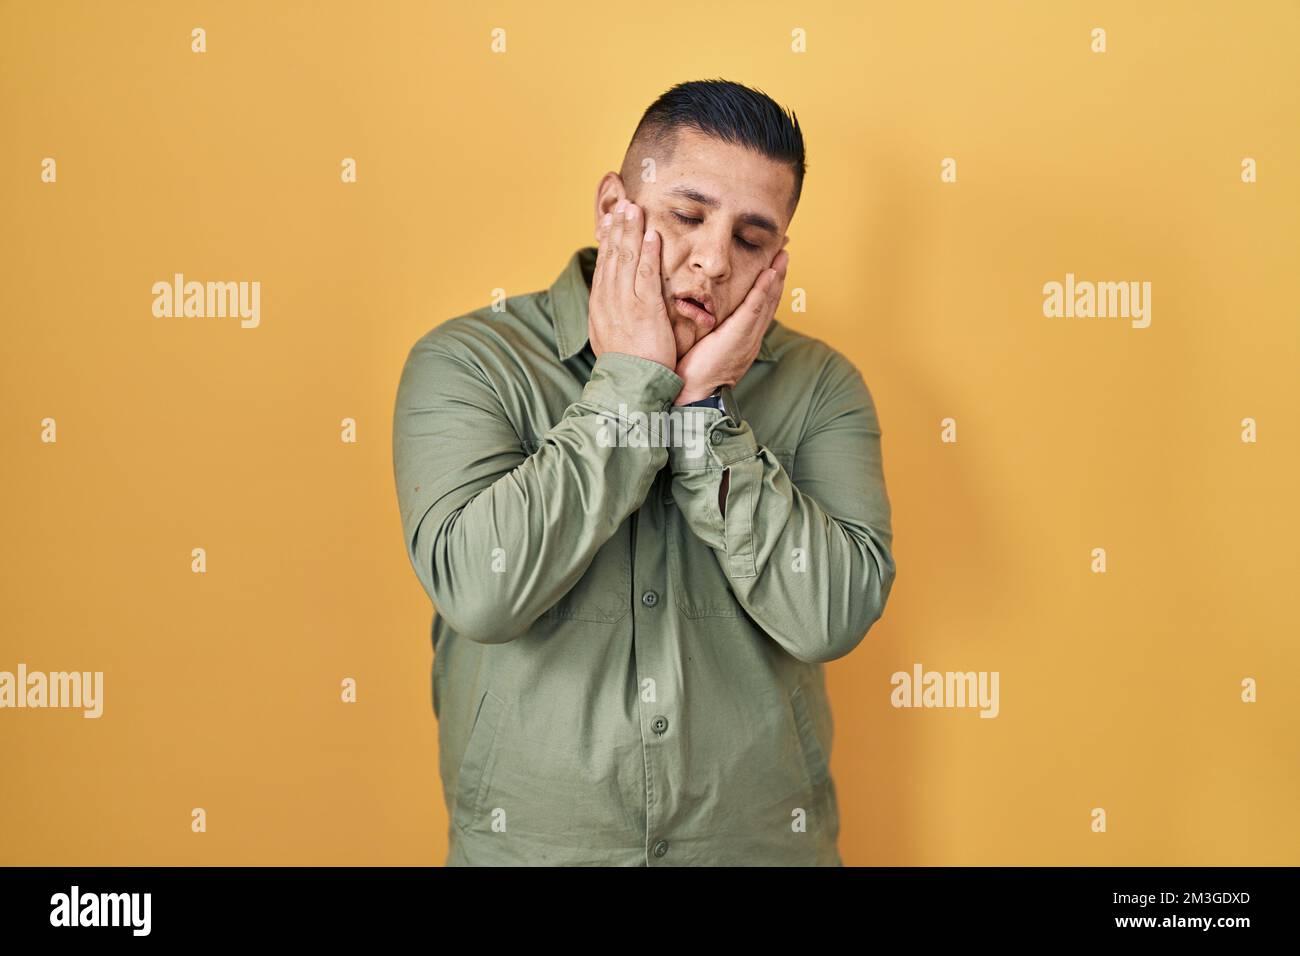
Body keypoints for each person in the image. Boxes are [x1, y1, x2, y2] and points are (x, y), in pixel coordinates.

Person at [392, 78, 896, 865]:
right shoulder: (469, 362)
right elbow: (482, 592)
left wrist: (702, 415)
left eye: (751, 239)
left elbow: (832, 616)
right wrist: (633, 383)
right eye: (688, 216)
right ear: (614, 208)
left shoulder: (822, 386)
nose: (713, 261)